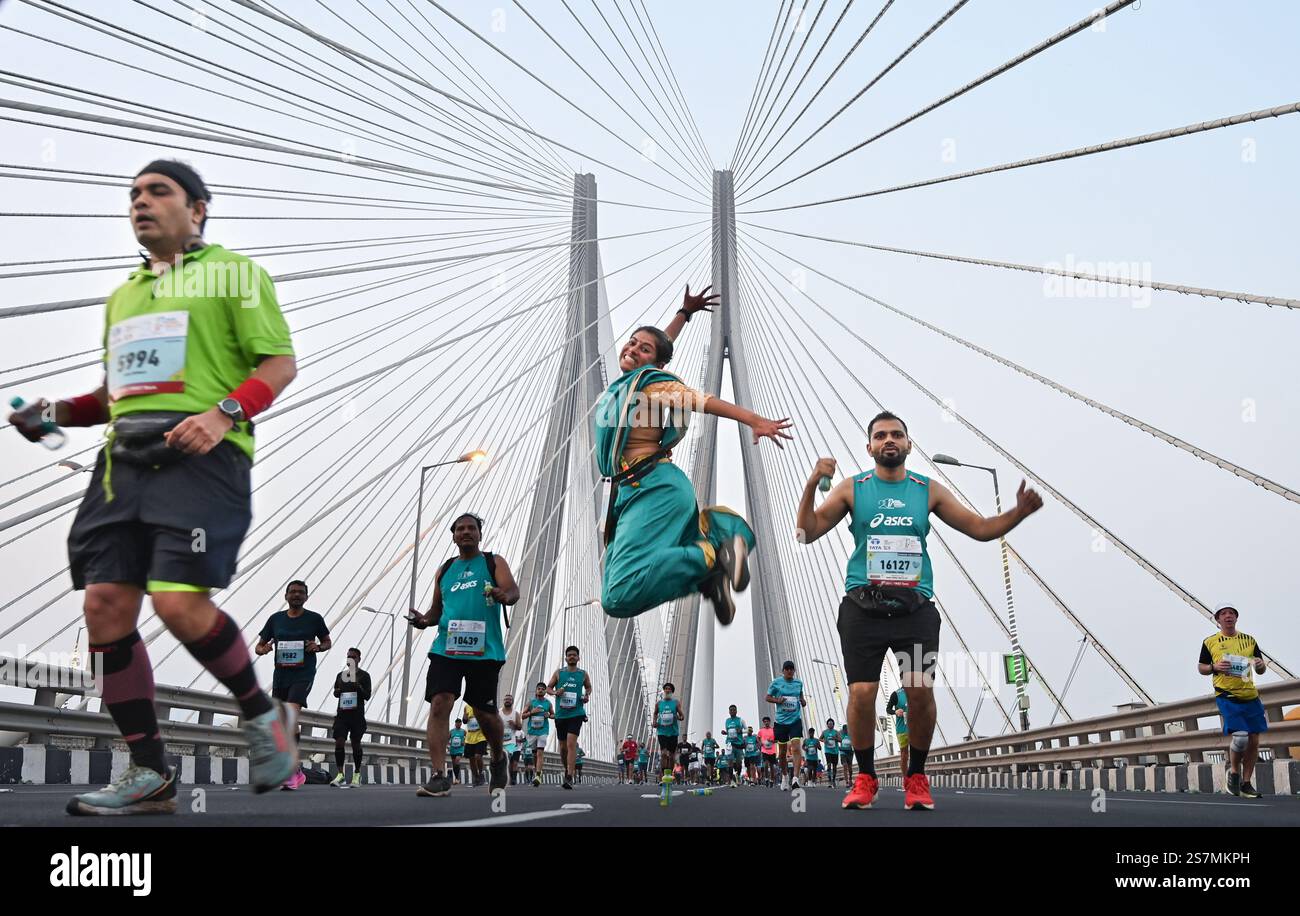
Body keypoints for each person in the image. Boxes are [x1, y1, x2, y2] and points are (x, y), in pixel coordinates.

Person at [10, 160, 299, 815]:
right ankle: (149, 773)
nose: (140, 202)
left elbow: (279, 363)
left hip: (201, 458)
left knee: (176, 603)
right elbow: (113, 397)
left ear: (198, 209)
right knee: (105, 606)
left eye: (157, 191)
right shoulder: (126, 296)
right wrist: (51, 414)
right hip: (122, 467)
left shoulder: (234, 274)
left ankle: (262, 719)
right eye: (133, 194)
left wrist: (223, 413)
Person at [796, 411, 1042, 811]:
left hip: (914, 610)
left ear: (908, 444)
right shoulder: (852, 489)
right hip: (863, 607)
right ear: (869, 447)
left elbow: (979, 528)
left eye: (896, 434)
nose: (888, 440)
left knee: (919, 691)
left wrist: (1018, 513)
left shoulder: (927, 490)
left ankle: (917, 778)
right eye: (880, 436)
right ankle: (865, 778)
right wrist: (811, 484)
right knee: (861, 693)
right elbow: (806, 533)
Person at [595, 286, 793, 625]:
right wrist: (683, 315)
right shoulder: (632, 382)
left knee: (621, 592)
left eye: (642, 349)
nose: (632, 349)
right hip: (629, 493)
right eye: (631, 342)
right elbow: (660, 347)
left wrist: (753, 420)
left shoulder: (651, 384)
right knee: (615, 599)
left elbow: (700, 400)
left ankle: (713, 548)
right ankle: (709, 567)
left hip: (652, 488)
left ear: (654, 363)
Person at [407, 512, 520, 797]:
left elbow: (512, 590)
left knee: (484, 713)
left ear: (480, 534)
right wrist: (424, 620)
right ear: (454, 536)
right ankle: (439, 775)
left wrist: (503, 595)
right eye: (460, 529)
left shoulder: (493, 562)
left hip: (484, 650)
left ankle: (497, 757)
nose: (466, 532)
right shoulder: (445, 570)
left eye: (471, 528)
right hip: (447, 647)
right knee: (439, 702)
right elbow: (436, 612)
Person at [256, 580, 331, 790]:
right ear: (286, 596)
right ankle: (296, 770)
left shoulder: (314, 619)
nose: (296, 595)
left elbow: (327, 642)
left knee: (290, 713)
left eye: (300, 592)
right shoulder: (275, 620)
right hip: (281, 676)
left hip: (303, 674)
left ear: (306, 597)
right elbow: (259, 646)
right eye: (293, 592)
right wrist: (263, 650)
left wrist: (318, 646)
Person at [1198, 604, 1269, 798]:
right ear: (1217, 619)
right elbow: (1201, 667)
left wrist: (1261, 666)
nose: (1228, 616)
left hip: (1250, 695)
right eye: (1223, 614)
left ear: (1236, 618)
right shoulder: (1210, 642)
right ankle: (1234, 772)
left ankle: (1246, 783)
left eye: (1231, 613)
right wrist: (1214, 667)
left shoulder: (1249, 640)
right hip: (1226, 695)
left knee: (1254, 740)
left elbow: (1260, 669)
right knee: (1240, 737)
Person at [547, 645, 592, 790]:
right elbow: (548, 687)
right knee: (563, 747)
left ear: (578, 658)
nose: (572, 657)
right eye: (569, 655)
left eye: (574, 655)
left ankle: (569, 776)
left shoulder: (583, 674)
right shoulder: (559, 673)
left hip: (576, 713)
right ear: (566, 658)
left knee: (572, 744)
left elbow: (589, 687)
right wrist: (555, 693)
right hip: (561, 714)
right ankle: (567, 769)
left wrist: (586, 695)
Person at [329, 647, 370, 788]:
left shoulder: (364, 676)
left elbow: (367, 695)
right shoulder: (340, 675)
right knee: (339, 742)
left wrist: (358, 687)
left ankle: (357, 774)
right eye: (348, 657)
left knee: (355, 744)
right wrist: (338, 691)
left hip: (356, 715)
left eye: (353, 657)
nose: (350, 659)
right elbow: (335, 692)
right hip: (342, 714)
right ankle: (340, 775)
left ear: (359, 659)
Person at [766, 660, 806, 791]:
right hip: (781, 722)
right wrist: (777, 700)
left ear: (794, 671)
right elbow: (767, 697)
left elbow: (801, 697)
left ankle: (795, 778)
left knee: (796, 748)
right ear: (783, 671)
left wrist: (803, 701)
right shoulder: (776, 683)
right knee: (782, 753)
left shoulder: (799, 683)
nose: (789, 671)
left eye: (791, 669)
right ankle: (784, 776)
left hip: (795, 721)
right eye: (787, 669)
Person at [654, 682, 684, 788]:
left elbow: (682, 715)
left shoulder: (675, 703)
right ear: (664, 690)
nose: (667, 690)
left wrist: (679, 717)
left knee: (671, 756)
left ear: (672, 691)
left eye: (669, 689)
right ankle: (663, 777)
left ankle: (669, 776)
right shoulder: (659, 703)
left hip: (673, 733)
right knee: (663, 754)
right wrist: (654, 722)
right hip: (662, 732)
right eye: (666, 688)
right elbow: (655, 713)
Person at [524, 682, 554, 786]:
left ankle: (538, 775)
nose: (540, 690)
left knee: (540, 753)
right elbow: (522, 716)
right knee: (534, 754)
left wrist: (549, 715)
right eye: (539, 688)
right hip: (532, 732)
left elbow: (554, 715)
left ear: (545, 691)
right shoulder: (531, 703)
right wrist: (532, 712)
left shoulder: (548, 703)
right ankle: (537, 772)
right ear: (536, 690)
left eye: (542, 689)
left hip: (543, 731)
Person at [462, 703, 488, 787]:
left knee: (478, 756)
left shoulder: (482, 705)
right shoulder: (466, 707)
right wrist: (465, 716)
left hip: (481, 736)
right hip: (470, 737)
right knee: (471, 759)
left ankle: (481, 774)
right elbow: (464, 721)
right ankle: (476, 777)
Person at [499, 695, 523, 786]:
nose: (507, 701)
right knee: (503, 760)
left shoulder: (515, 713)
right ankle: (506, 777)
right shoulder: (499, 712)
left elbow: (520, 727)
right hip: (500, 741)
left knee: (508, 758)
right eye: (506, 699)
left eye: (509, 699)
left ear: (512, 701)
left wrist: (515, 724)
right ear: (503, 701)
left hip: (511, 741)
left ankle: (512, 778)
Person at [886, 687, 910, 776]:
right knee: (904, 755)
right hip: (902, 729)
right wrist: (895, 711)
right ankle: (906, 779)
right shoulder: (896, 694)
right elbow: (888, 709)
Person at [820, 719, 841, 789]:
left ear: (833, 724)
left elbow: (840, 740)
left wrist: (835, 738)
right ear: (827, 725)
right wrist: (824, 740)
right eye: (829, 724)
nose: (830, 725)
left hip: (835, 751)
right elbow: (820, 738)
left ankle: (834, 780)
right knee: (829, 765)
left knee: (834, 766)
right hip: (827, 751)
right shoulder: (824, 732)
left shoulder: (836, 732)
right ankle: (829, 781)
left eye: (831, 724)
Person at [758, 717, 778, 787]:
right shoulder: (761, 731)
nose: (766, 722)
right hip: (764, 750)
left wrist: (771, 741)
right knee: (766, 765)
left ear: (769, 722)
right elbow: (758, 737)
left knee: (772, 767)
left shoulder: (773, 730)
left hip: (772, 750)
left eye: (767, 721)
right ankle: (766, 779)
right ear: (763, 722)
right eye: (765, 721)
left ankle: (771, 780)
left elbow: (777, 740)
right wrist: (760, 742)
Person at [447, 719, 467, 784]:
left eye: (459, 723)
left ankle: (457, 778)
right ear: (455, 724)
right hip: (453, 749)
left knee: (457, 760)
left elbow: (468, 738)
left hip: (460, 749)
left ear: (461, 724)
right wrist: (447, 746)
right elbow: (447, 739)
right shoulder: (451, 731)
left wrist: (464, 742)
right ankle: (457, 778)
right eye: (457, 723)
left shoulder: (463, 731)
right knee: (454, 764)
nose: (458, 724)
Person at [838, 721, 854, 785]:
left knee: (850, 768)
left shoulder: (851, 735)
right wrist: (838, 747)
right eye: (844, 729)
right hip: (843, 752)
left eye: (847, 729)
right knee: (845, 766)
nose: (845, 731)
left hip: (849, 752)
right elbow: (836, 740)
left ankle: (850, 779)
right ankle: (847, 781)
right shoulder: (840, 734)